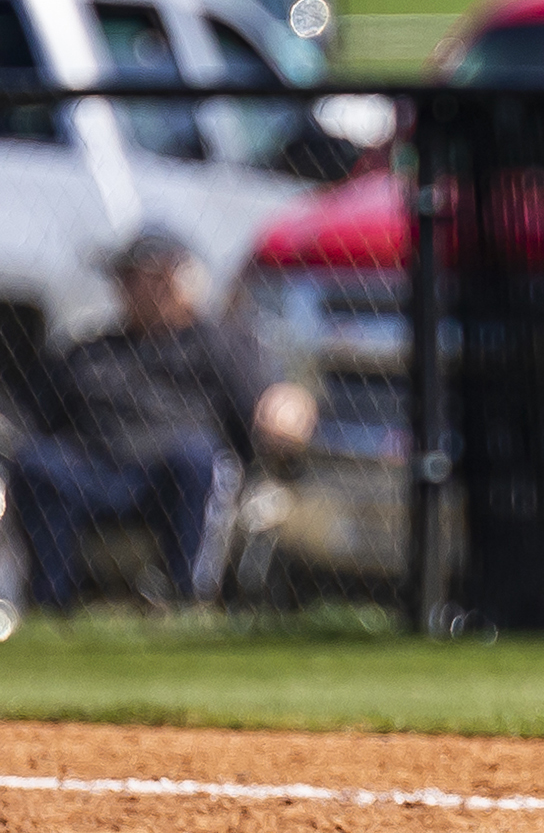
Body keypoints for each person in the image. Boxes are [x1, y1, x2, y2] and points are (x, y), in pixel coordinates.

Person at [7, 226, 316, 610]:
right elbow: (28, 416)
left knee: (198, 457)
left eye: (136, 277)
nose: (123, 287)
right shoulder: (93, 351)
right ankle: (50, 604)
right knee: (38, 464)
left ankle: (188, 598)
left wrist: (288, 411)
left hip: (172, 478)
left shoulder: (219, 343)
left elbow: (273, 402)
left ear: (174, 278)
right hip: (96, 472)